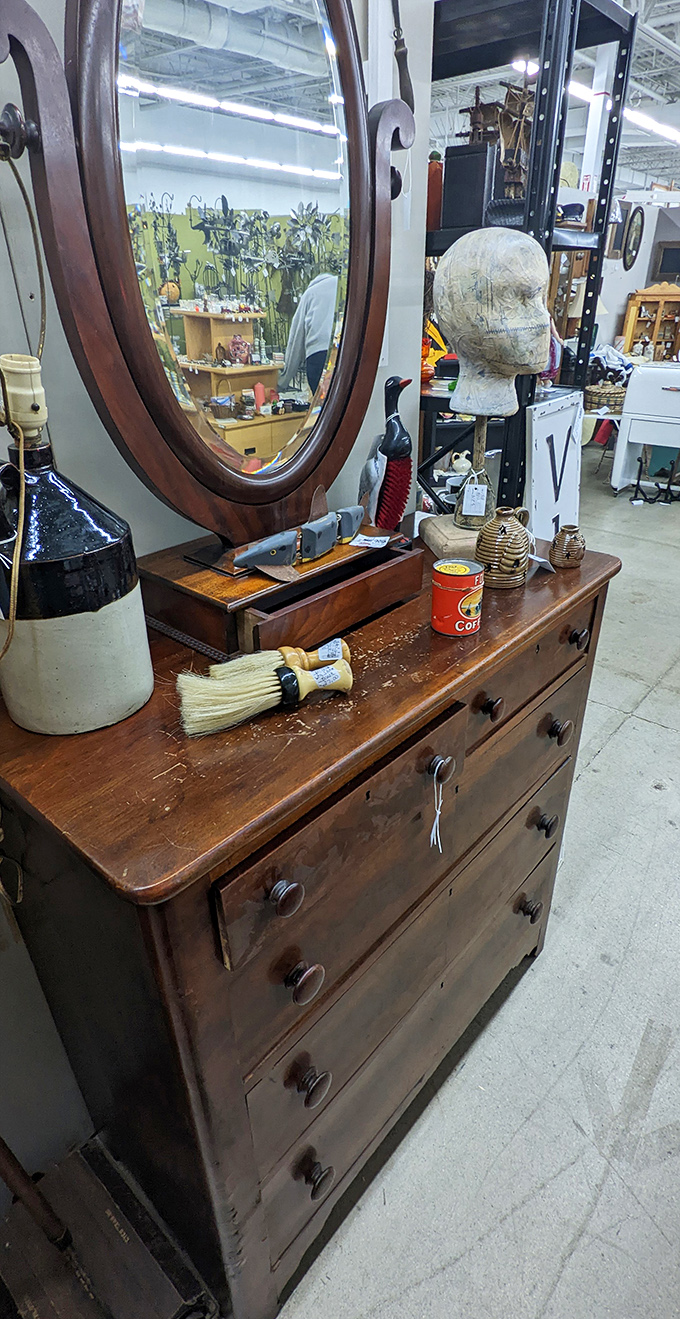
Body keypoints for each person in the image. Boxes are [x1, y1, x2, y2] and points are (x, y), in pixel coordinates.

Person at [278, 272, 338, 395]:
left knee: (322, 403)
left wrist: (284, 379)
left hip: (317, 355)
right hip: (341, 352)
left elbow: (296, 338)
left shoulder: (311, 293)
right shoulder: (346, 284)